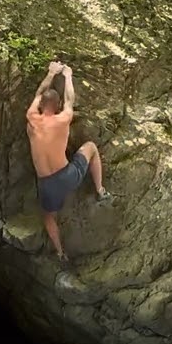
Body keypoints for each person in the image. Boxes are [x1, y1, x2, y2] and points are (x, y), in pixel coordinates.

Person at [25, 60, 112, 262]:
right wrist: (68, 76)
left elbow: (39, 93)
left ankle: (60, 253)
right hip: (68, 176)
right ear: (56, 106)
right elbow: (70, 99)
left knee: (48, 217)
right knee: (91, 147)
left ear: (41, 106)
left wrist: (50, 73)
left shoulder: (31, 118)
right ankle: (100, 190)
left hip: (47, 183)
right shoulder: (63, 118)